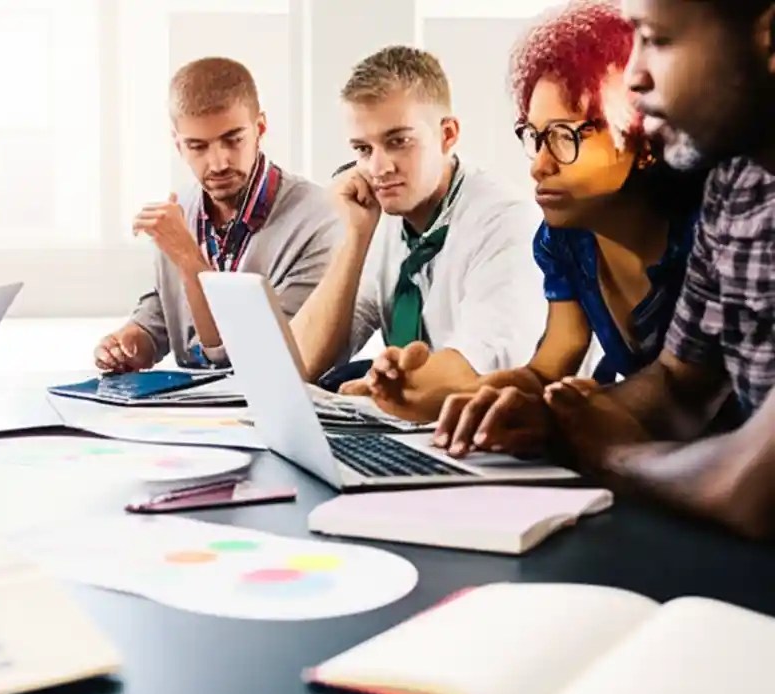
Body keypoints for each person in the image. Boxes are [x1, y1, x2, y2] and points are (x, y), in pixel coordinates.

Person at [437, 0, 775, 538]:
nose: (636, 80)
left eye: (658, 39)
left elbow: (752, 488)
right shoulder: (734, 184)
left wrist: (608, 451)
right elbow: (677, 385)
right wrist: (552, 419)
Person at [386, 0, 705, 434]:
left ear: (640, 133)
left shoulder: (705, 234)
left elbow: (697, 399)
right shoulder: (567, 240)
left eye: (564, 136)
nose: (539, 165)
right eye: (534, 137)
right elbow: (548, 368)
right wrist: (464, 398)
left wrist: (579, 407)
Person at [290, 46, 546, 414]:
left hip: (511, 449)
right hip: (420, 439)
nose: (378, 168)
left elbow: (472, 368)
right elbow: (301, 362)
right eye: (363, 149)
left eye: (398, 142)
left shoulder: (509, 224)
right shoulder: (380, 220)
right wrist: (354, 238)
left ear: (447, 134)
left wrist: (379, 396)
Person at [94, 57, 339, 372]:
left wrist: (187, 257)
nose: (219, 162)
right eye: (197, 146)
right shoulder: (181, 206)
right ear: (178, 145)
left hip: (273, 412)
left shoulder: (319, 220)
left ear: (260, 128)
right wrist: (134, 341)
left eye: (233, 140)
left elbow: (254, 359)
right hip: (188, 413)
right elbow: (164, 310)